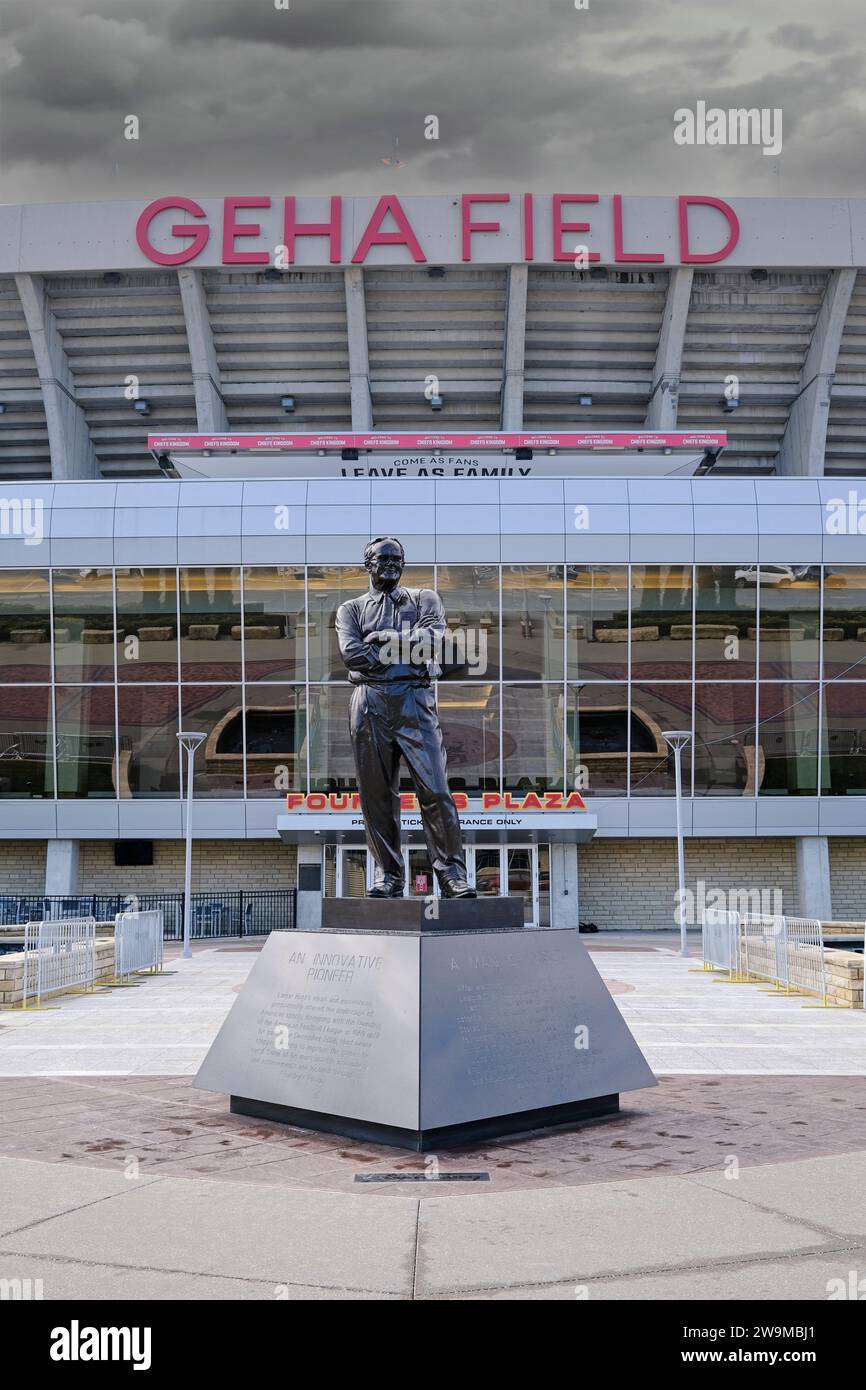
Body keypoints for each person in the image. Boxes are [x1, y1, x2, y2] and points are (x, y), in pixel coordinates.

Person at [335, 537, 475, 899]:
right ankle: (388, 875)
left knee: (436, 789)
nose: (391, 564)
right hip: (369, 704)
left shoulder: (425, 599)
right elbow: (352, 655)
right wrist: (406, 650)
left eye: (397, 559)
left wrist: (385, 639)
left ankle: (451, 875)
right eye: (383, 558)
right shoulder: (350, 610)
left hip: (415, 700)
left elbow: (433, 640)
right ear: (368, 564)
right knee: (377, 796)